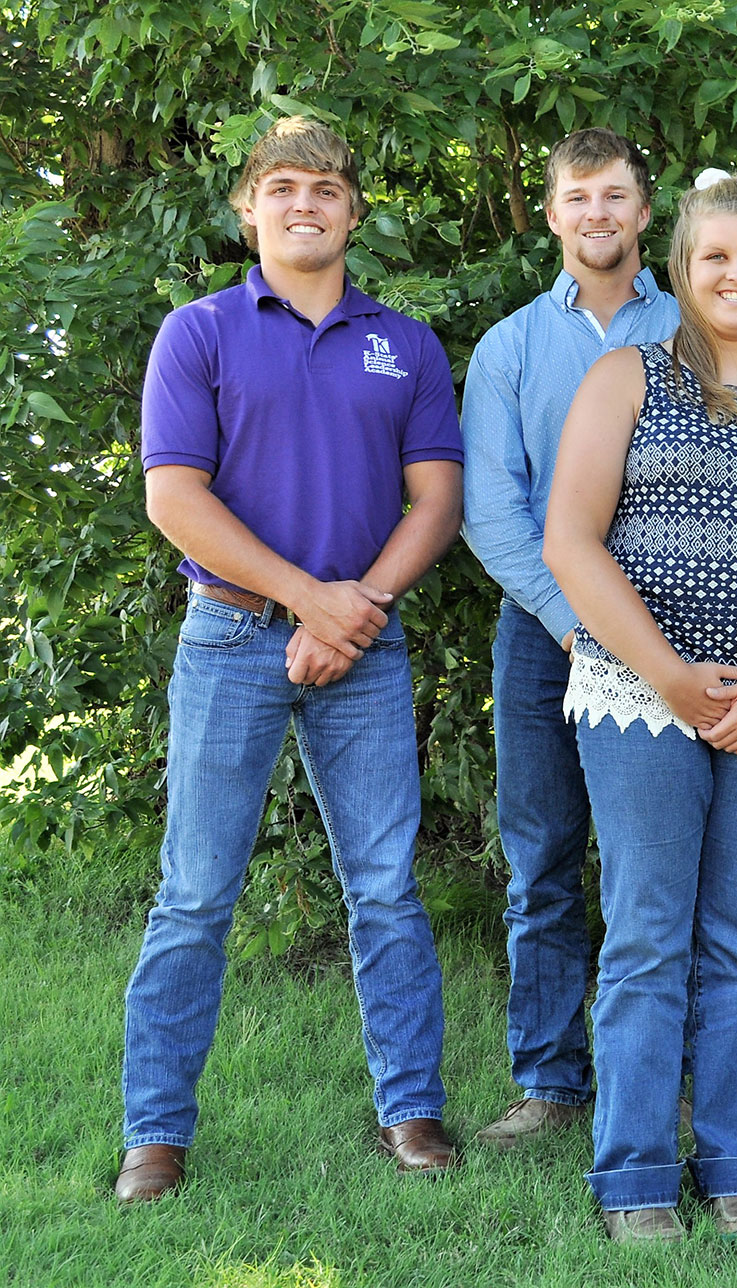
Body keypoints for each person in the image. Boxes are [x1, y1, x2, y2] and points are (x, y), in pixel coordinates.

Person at [116, 117, 464, 1202]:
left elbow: (437, 501)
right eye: (281, 187)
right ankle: (155, 1132)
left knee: (387, 888)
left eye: (324, 188)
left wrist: (350, 612)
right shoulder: (200, 333)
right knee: (194, 892)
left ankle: (410, 1110)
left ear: (354, 212)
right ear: (248, 209)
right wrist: (308, 599)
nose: (303, 203)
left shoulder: (405, 344)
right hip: (231, 638)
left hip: (365, 642)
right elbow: (174, 498)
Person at [542, 173, 737, 1243]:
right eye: (717, 256)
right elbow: (571, 541)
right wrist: (673, 678)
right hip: (640, 697)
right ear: (682, 269)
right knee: (646, 934)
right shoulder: (625, 377)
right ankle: (634, 1178)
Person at [461, 128, 679, 1151]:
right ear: (551, 215)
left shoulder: (695, 327)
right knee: (543, 857)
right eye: (578, 197)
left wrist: (638, 631)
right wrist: (577, 618)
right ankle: (549, 1080)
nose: (598, 213)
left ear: (645, 212)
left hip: (685, 628)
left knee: (661, 866)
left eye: (616, 196)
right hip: (546, 636)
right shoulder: (509, 348)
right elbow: (491, 510)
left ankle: (667, 1076)